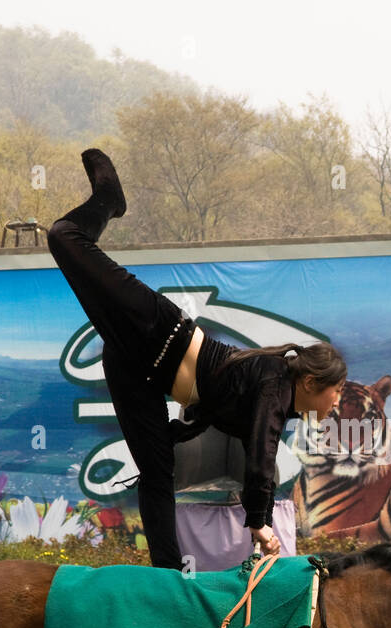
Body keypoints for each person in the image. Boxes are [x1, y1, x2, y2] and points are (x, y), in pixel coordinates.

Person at [47, 149, 346, 569]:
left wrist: (171, 434)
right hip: (157, 331)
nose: (338, 403)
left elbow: (223, 421)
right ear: (313, 381)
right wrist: (259, 525)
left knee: (155, 472)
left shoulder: (278, 400)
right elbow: (261, 457)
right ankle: (108, 201)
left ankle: (167, 578)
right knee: (62, 237)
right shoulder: (276, 381)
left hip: (139, 371)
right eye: (338, 391)